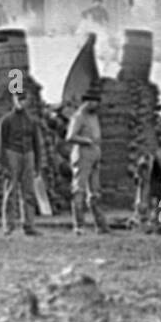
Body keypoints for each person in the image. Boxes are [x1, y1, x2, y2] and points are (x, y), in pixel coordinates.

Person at [0, 91, 42, 236]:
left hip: (28, 154)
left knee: (28, 192)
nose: (21, 102)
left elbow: (37, 144)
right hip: (12, 154)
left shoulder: (31, 121)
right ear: (13, 100)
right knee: (11, 191)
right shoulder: (6, 120)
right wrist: (2, 165)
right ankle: (8, 226)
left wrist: (38, 165)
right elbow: (0, 144)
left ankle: (29, 225)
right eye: (18, 99)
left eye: (23, 99)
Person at [66, 90, 104, 235]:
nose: (97, 105)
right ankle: (79, 225)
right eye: (95, 102)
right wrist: (86, 140)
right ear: (88, 102)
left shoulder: (93, 116)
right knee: (79, 190)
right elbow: (70, 136)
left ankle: (100, 224)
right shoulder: (78, 117)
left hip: (94, 154)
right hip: (82, 155)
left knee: (95, 191)